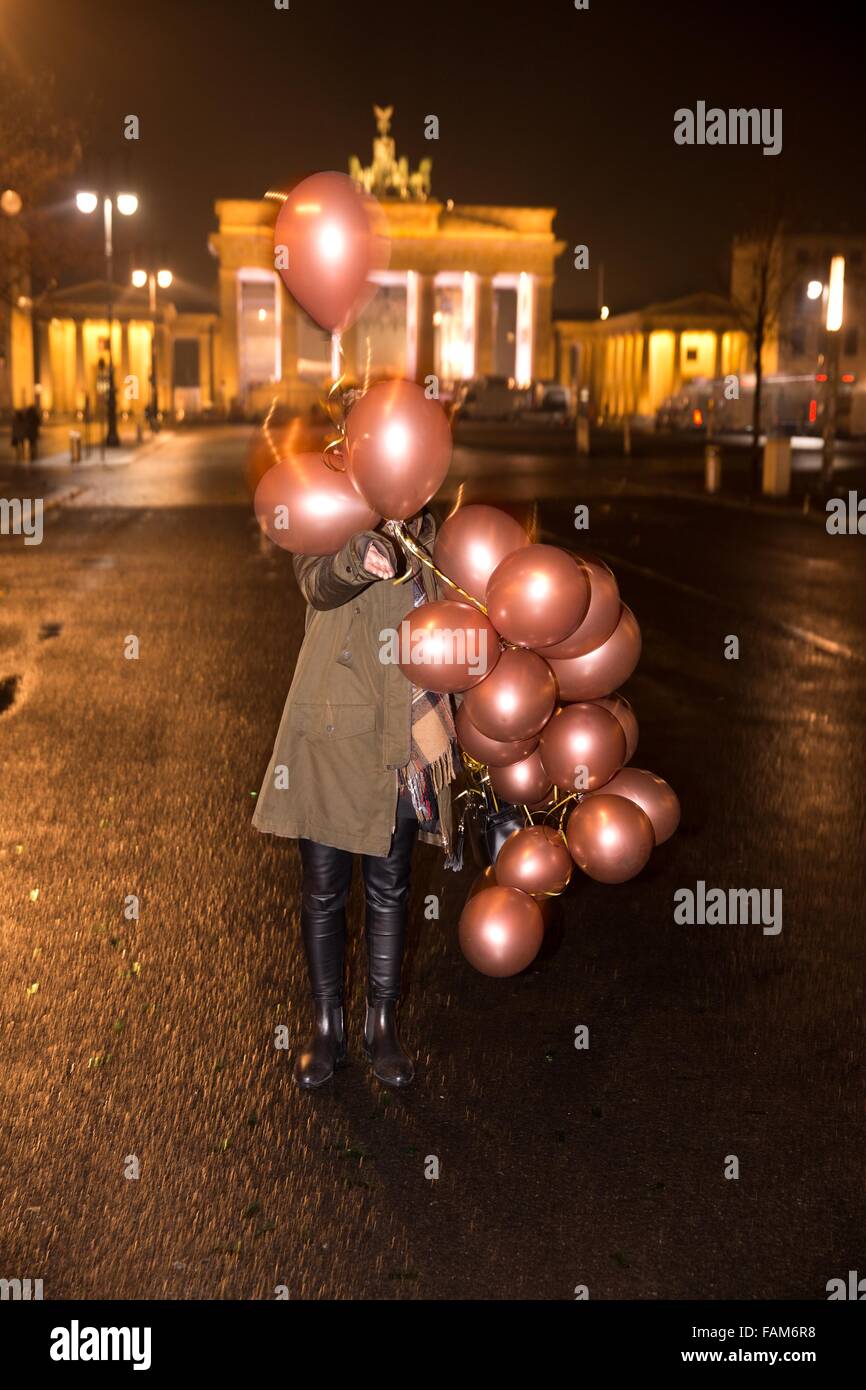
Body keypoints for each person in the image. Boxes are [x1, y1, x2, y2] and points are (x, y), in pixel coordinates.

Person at [253, 510, 459, 1090]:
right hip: (331, 732)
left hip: (402, 736)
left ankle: (382, 1024)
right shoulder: (329, 509)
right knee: (323, 887)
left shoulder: (434, 534)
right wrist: (356, 554)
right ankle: (325, 1026)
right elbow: (315, 582)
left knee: (389, 886)